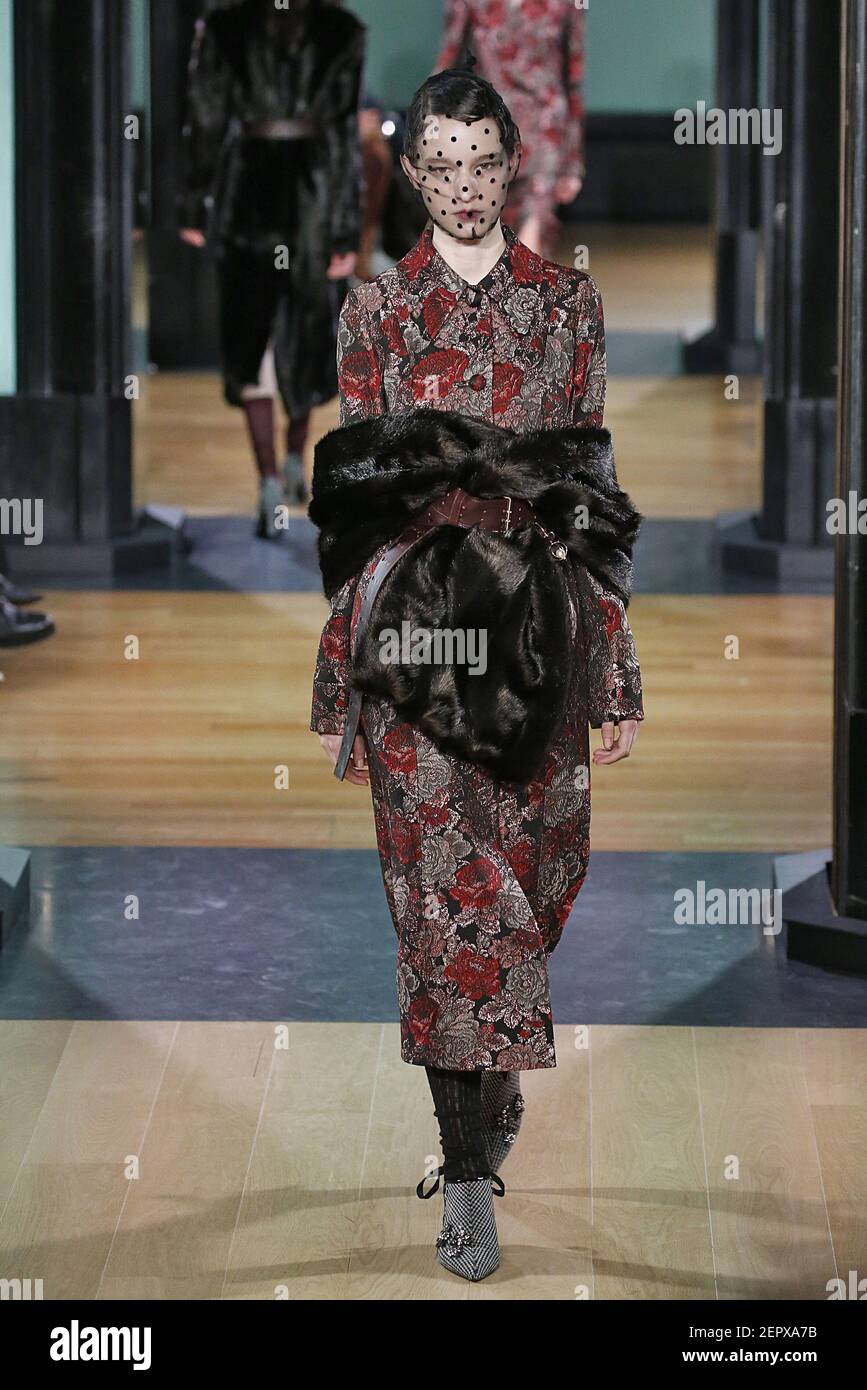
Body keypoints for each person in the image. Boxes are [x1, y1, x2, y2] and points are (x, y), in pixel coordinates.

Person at [309, 65, 644, 1282]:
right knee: (448, 906)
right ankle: (466, 1175)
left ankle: (493, 1072)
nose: (461, 185)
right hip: (422, 636)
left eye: (480, 162)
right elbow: (356, 507)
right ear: (412, 176)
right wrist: (349, 672)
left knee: (544, 873)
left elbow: (592, 494)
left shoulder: (568, 306)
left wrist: (617, 675)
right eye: (438, 165)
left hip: (540, 628)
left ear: (514, 164)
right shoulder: (376, 316)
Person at [179, 0, 365, 537]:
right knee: (303, 334)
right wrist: (344, 227)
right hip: (313, 195)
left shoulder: (225, 26)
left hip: (249, 190)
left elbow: (206, 114)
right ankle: (288, 464)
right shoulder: (339, 29)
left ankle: (268, 479)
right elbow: (343, 132)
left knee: (251, 337)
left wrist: (195, 202)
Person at [436, 0, 586, 259]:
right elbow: (448, 61)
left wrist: (572, 161)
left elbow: (573, 74)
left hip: (539, 129)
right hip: (491, 129)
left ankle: (524, 294)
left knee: (533, 228)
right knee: (492, 235)